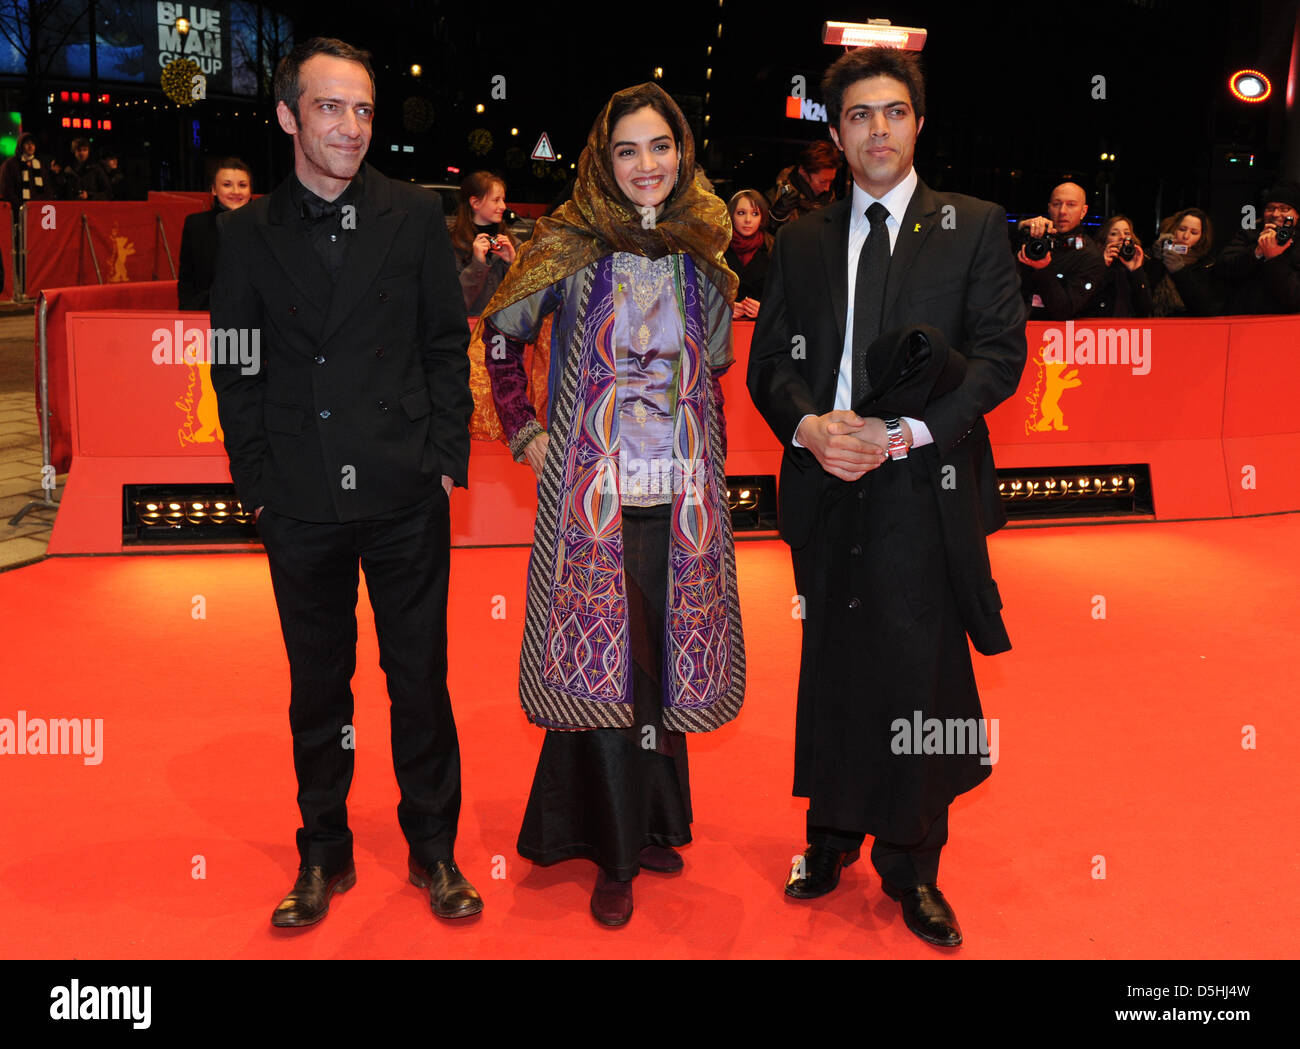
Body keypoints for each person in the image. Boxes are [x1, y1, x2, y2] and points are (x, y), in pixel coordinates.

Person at [747, 46, 1025, 949]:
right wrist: (811, 429)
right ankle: (828, 837)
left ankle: (915, 861)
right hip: (825, 483)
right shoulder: (800, 239)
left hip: (923, 483)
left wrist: (906, 434)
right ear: (836, 132)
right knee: (832, 661)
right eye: (859, 114)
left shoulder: (974, 225)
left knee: (922, 672)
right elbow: (769, 363)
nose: (877, 129)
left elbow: (998, 359)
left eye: (893, 112)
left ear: (917, 123)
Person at [209, 37, 480, 928]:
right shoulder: (246, 232)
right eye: (331, 107)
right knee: (318, 685)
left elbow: (447, 344)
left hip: (405, 492)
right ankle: (322, 851)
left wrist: (445, 463)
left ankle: (435, 847)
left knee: (420, 678)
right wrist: (256, 484)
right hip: (298, 496)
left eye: (364, 109)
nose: (352, 126)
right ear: (288, 116)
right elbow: (236, 364)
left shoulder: (411, 214)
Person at [480, 82, 744, 928]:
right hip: (593, 498)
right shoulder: (568, 239)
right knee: (606, 664)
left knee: (664, 660)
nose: (645, 166)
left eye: (659, 147)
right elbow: (499, 332)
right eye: (626, 150)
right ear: (602, 158)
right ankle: (611, 848)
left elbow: (718, 363)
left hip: (683, 499)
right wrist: (524, 432)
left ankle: (656, 819)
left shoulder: (703, 245)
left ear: (682, 153)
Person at [1015, 180, 1106, 319]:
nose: (1062, 211)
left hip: (1055, 335)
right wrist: (1021, 226)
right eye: (1057, 204)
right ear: (1049, 208)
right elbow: (989, 236)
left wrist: (1042, 269)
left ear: (1083, 211)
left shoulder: (1090, 256)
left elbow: (1065, 310)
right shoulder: (1033, 236)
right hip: (1013, 325)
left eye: (1071, 205)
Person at [178, 158, 252, 310]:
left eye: (242, 185)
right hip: (205, 315)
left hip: (256, 319)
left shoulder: (265, 225)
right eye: (227, 185)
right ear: (213, 189)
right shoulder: (196, 225)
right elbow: (187, 280)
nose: (236, 192)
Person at [1216, 182, 1300, 315]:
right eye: (1270, 208)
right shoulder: (1248, 233)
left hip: (1284, 321)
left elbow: (1295, 296)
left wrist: (1274, 258)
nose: (1276, 214)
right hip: (1243, 317)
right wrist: (1258, 250)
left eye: (1285, 209)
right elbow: (1223, 269)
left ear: (1297, 215)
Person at [450, 170, 519, 315]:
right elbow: (454, 306)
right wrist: (477, 265)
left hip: (502, 334)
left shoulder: (513, 244)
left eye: (503, 200)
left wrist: (513, 265)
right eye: (496, 200)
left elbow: (525, 302)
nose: (503, 206)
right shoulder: (452, 244)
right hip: (467, 332)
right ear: (475, 202)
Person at [1145, 207, 1224, 316]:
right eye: (1182, 229)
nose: (1186, 236)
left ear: (1202, 237)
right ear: (1174, 229)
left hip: (1186, 326)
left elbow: (1205, 308)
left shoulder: (1206, 264)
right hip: (1152, 324)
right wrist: (1158, 260)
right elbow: (1142, 297)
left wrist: (1180, 271)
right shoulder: (1152, 254)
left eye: (1194, 232)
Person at [1083, 214, 1152, 317]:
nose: (1122, 237)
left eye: (1127, 233)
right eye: (1114, 233)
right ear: (1103, 241)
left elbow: (1146, 309)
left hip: (1129, 330)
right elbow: (1084, 302)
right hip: (1099, 328)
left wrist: (1136, 271)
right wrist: (1103, 266)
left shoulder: (1142, 263)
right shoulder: (1091, 264)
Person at [767, 140, 842, 230]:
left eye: (831, 181)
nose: (827, 188)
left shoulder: (831, 198)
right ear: (803, 172)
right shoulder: (777, 194)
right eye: (822, 182)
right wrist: (775, 215)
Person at [724, 189, 772, 320]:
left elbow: (786, 295)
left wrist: (766, 309)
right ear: (731, 215)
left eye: (755, 213)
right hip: (725, 331)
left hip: (762, 330)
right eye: (741, 213)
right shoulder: (716, 249)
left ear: (762, 217)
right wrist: (722, 309)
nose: (748, 220)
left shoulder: (773, 248)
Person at [0, 134, 51, 216]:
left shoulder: (40, 164)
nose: (30, 146)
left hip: (39, 211)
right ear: (21, 146)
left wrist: (42, 206)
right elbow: (7, 190)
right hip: (17, 211)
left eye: (33, 144)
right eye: (27, 143)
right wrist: (21, 207)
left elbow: (47, 188)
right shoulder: (10, 164)